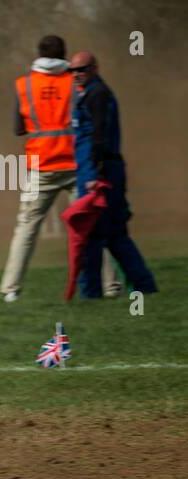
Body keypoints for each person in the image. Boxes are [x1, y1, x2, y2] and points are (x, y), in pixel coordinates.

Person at [69, 51, 156, 299]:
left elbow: (100, 135)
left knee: (94, 235)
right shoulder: (85, 93)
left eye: (81, 69)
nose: (76, 74)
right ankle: (144, 286)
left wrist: (96, 173)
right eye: (72, 71)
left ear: (94, 67)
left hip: (100, 173)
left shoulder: (98, 95)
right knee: (115, 235)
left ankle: (92, 293)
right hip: (99, 170)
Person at [0, 35, 75, 303]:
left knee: (26, 227)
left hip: (39, 167)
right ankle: (112, 285)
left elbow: (18, 129)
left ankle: (11, 289)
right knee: (92, 225)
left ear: (38, 53)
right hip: (76, 164)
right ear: (65, 53)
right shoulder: (75, 82)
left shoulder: (24, 85)